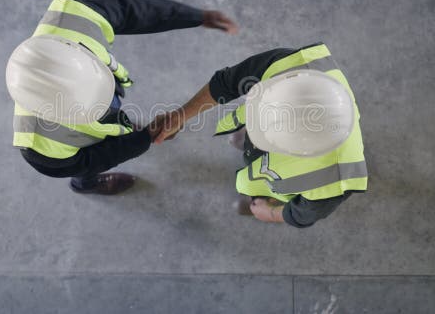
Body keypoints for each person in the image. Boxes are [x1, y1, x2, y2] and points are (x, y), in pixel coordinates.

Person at [6, 0, 238, 195]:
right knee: (89, 168)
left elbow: (132, 11)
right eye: (98, 108)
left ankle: (117, 126)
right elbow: (91, 160)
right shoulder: (40, 147)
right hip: (77, 151)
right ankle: (86, 186)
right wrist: (143, 138)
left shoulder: (72, 20)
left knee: (113, 126)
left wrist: (194, 16)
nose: (106, 102)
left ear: (78, 52)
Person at [150, 42, 368, 227]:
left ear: (293, 150)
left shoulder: (332, 181)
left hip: (284, 178)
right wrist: (180, 116)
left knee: (260, 185)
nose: (256, 126)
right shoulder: (290, 64)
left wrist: (272, 213)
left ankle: (260, 197)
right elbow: (226, 83)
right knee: (249, 144)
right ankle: (249, 149)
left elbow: (302, 213)